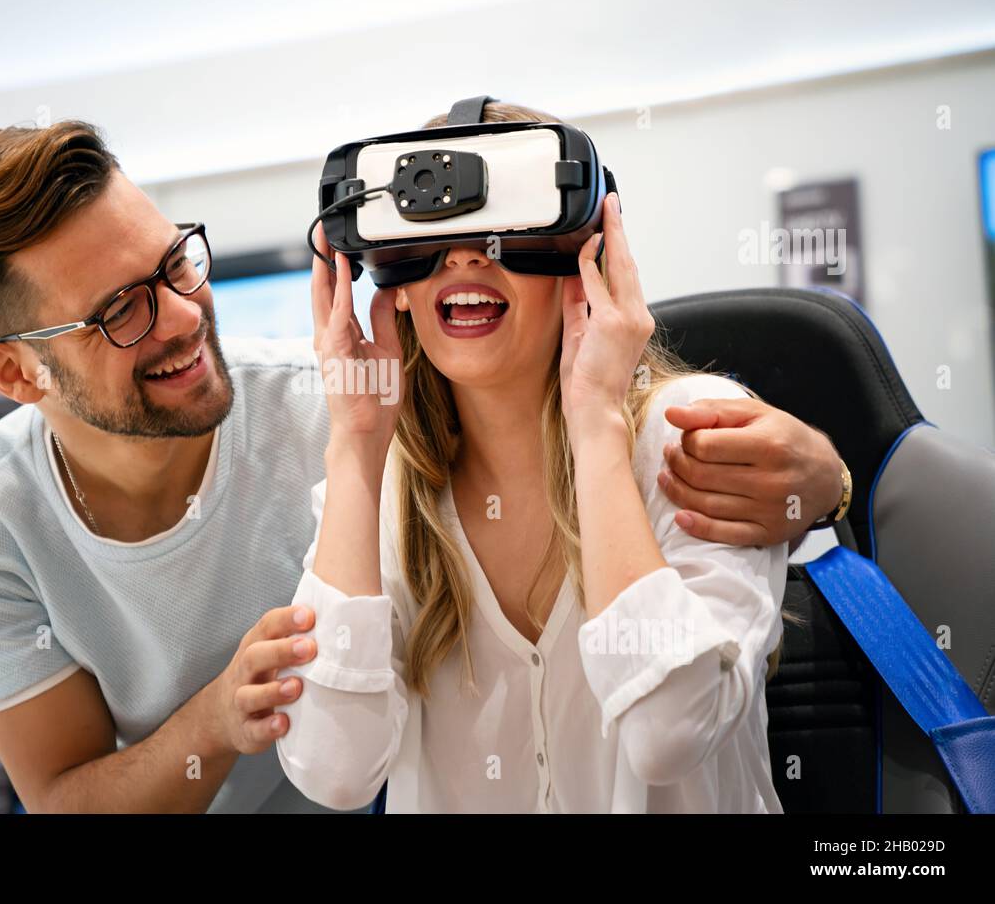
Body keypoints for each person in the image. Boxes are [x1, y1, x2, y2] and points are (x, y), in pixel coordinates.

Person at [0, 117, 844, 812]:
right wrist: (220, 716)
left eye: (178, 265)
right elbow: (72, 798)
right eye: (120, 312)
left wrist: (829, 477)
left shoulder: (379, 410)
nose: (187, 317)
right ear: (13, 372)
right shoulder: (374, 442)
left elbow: (669, 722)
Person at [277, 102, 803, 813]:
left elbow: (667, 732)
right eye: (434, 232)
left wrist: (597, 430)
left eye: (504, 227)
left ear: (587, 255)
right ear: (395, 287)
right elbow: (334, 773)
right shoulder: (379, 488)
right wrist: (357, 447)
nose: (465, 255)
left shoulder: (693, 435)